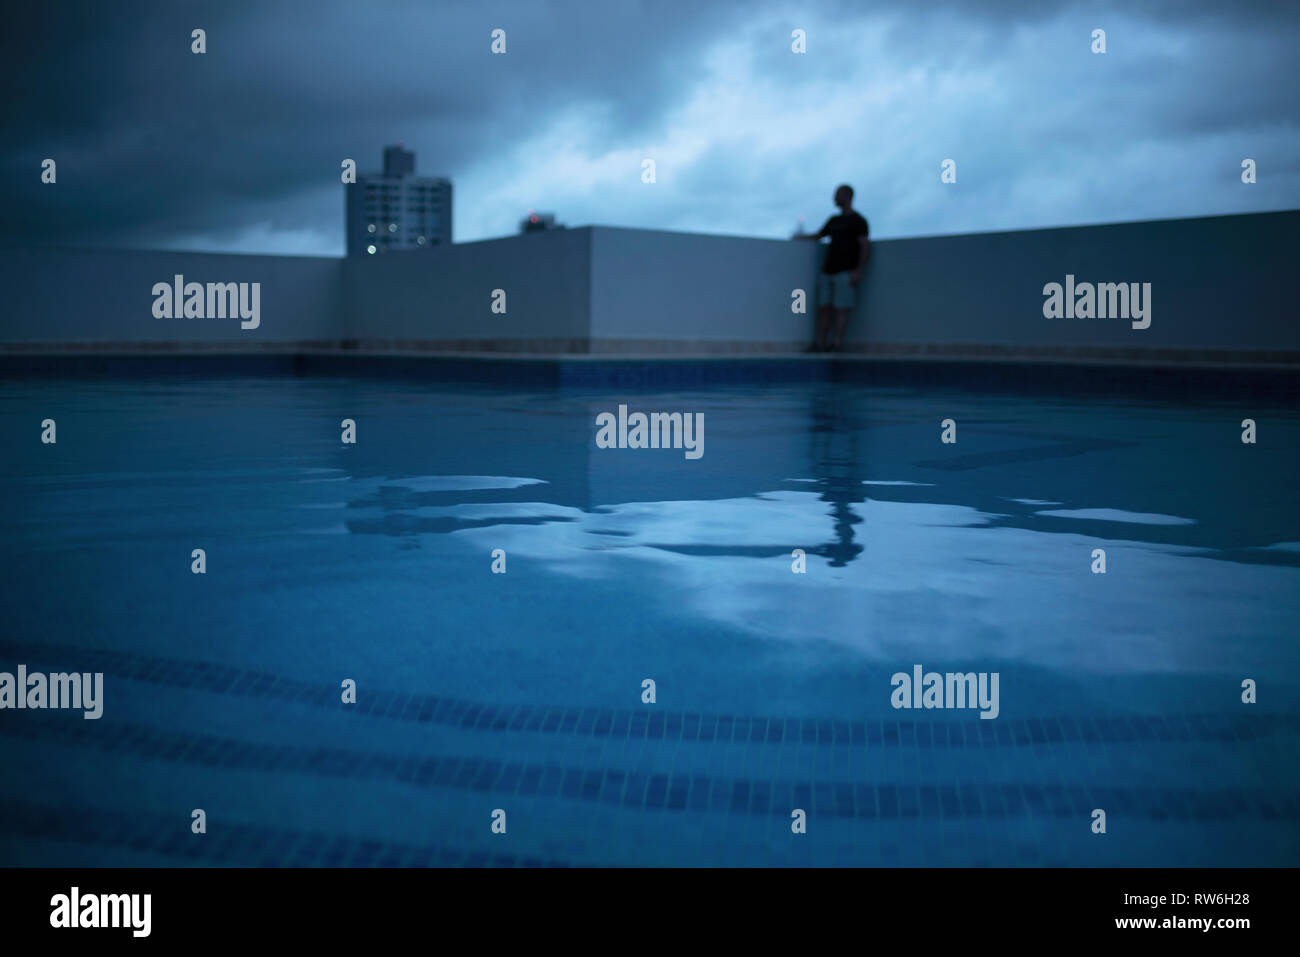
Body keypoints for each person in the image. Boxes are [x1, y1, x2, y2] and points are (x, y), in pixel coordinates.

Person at [796, 184, 870, 353]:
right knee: (823, 308)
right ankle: (820, 343)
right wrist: (799, 237)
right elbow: (819, 235)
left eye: (838, 194)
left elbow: (865, 246)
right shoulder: (834, 220)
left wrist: (858, 271)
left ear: (848, 196)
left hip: (846, 272)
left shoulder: (859, 221)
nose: (834, 198)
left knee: (841, 308)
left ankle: (837, 344)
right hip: (828, 270)